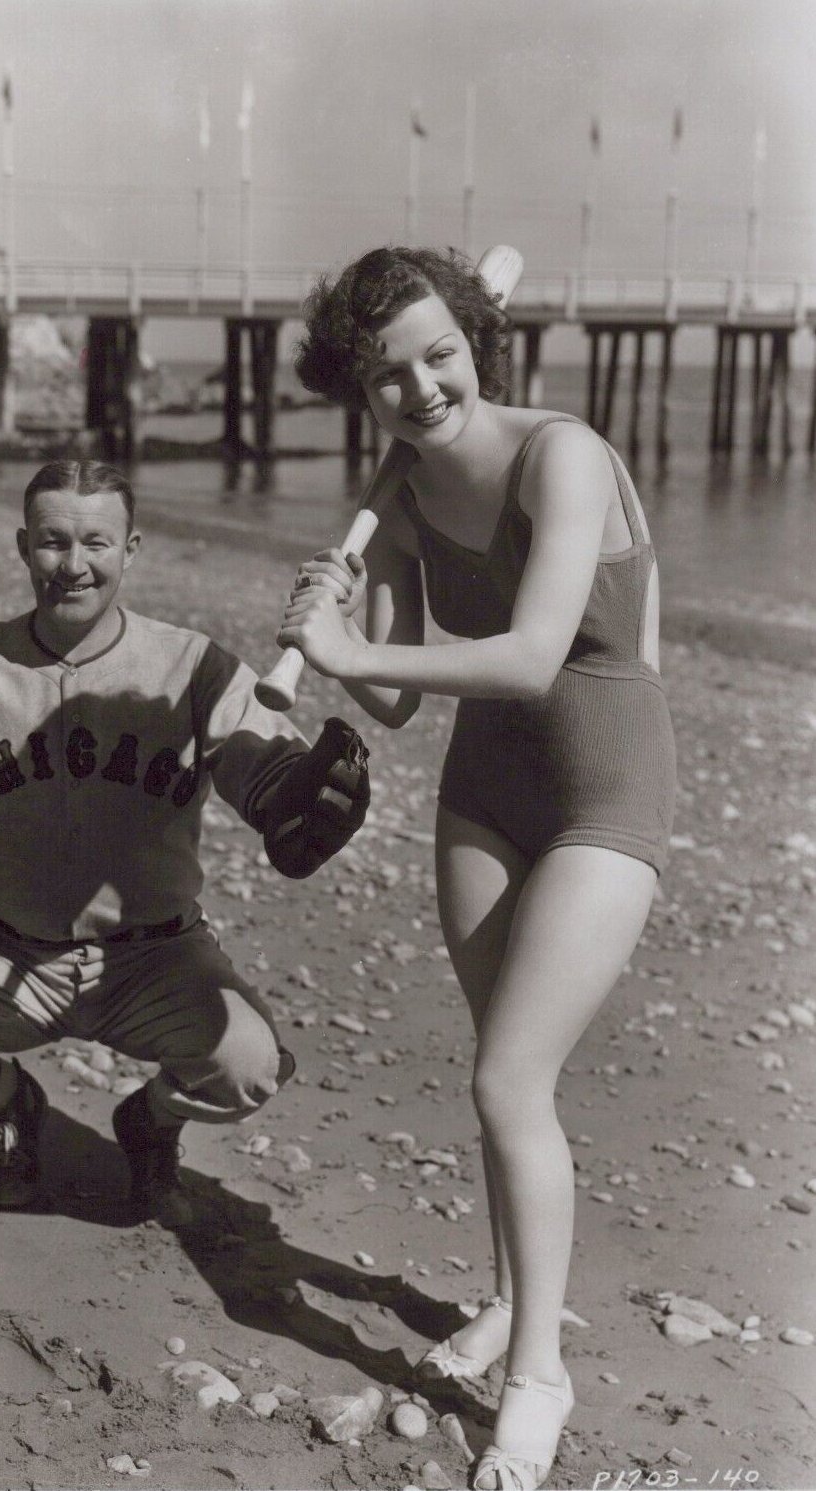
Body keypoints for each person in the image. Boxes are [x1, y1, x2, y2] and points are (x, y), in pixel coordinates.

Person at [278, 248, 675, 1491]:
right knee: (503, 1080)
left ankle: (539, 1380)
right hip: (486, 796)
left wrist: (343, 649)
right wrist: (338, 629)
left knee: (511, 1080)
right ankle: (516, 1303)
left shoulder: (563, 456)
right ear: (359, 388)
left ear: (477, 344)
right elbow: (398, 703)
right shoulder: (395, 495)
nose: (423, 389)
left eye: (440, 355)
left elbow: (535, 656)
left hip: (607, 787)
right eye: (389, 374)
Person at [0, 459, 369, 1232]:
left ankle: (149, 1124)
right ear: (24, 546)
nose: (74, 564)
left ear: (132, 548)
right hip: (1, 950)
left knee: (247, 1068)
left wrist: (312, 797)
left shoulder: (192, 665)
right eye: (53, 542)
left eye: (96, 542)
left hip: (153, 954)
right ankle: (10, 1104)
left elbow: (275, 777)